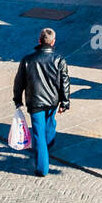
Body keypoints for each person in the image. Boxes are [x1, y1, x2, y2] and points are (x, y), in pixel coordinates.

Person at [12, 27, 70, 176]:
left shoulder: (28, 60)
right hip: (52, 101)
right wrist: (65, 102)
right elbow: (65, 82)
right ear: (53, 42)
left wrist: (17, 99)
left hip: (36, 102)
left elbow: (19, 82)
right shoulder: (59, 60)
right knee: (50, 123)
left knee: (38, 135)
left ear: (39, 41)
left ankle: (42, 168)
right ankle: (48, 146)